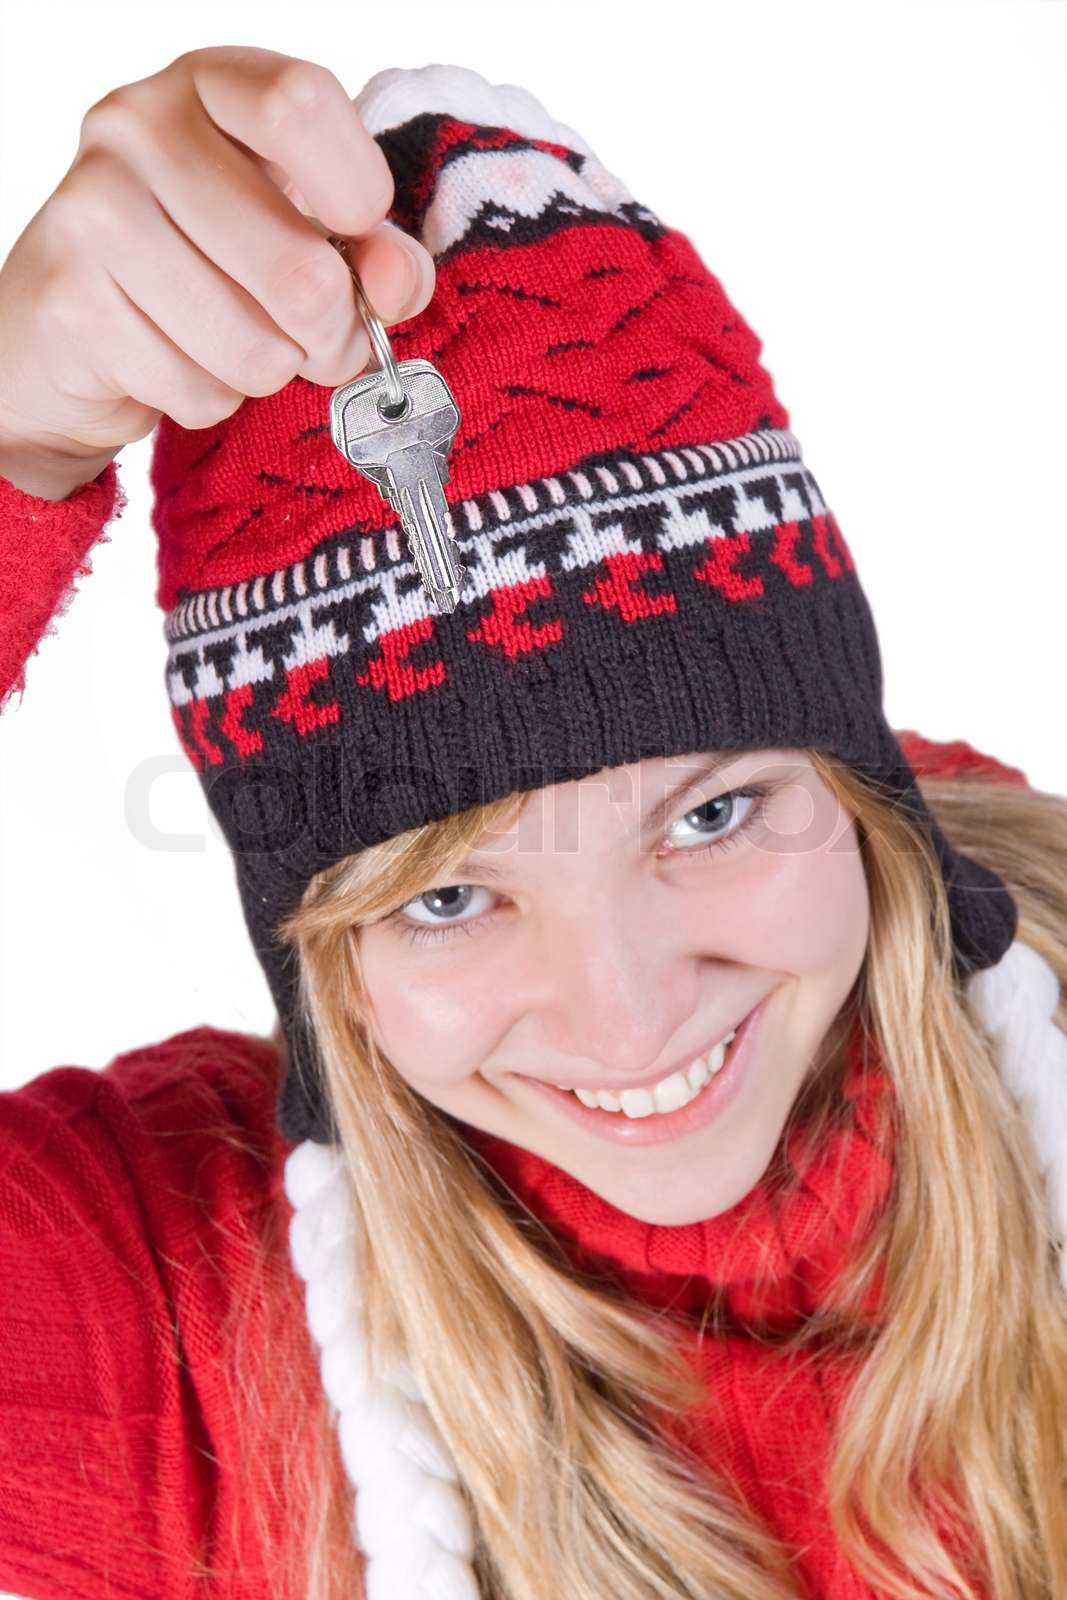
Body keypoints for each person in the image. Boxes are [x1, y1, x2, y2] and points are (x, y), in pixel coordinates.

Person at [0, 49, 1065, 1600]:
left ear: (860, 784)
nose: (627, 1016)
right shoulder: (190, 1326)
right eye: (444, 898)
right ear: (310, 954)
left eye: (712, 811)